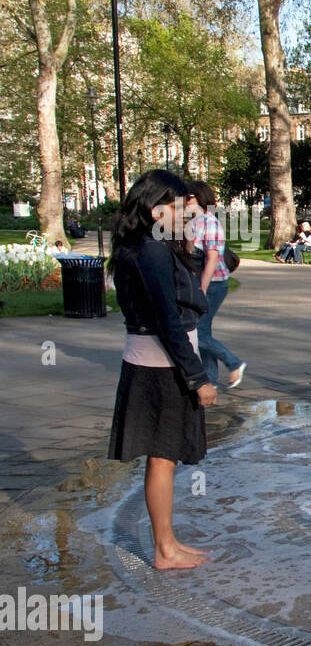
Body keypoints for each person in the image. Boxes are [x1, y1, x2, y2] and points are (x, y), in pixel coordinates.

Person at [107, 169, 218, 569]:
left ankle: (168, 542)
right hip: (161, 368)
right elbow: (168, 320)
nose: (187, 213)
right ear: (157, 212)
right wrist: (198, 377)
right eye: (179, 207)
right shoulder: (151, 251)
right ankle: (164, 550)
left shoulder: (143, 246)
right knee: (162, 458)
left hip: (151, 362)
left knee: (162, 457)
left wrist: (184, 242)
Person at [185, 181, 247, 389]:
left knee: (198, 333)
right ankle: (210, 379)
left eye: (189, 196)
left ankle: (234, 363)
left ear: (200, 198)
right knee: (203, 331)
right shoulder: (194, 222)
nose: (185, 200)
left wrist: (202, 288)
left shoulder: (209, 223)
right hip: (203, 283)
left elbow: (211, 259)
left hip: (213, 284)